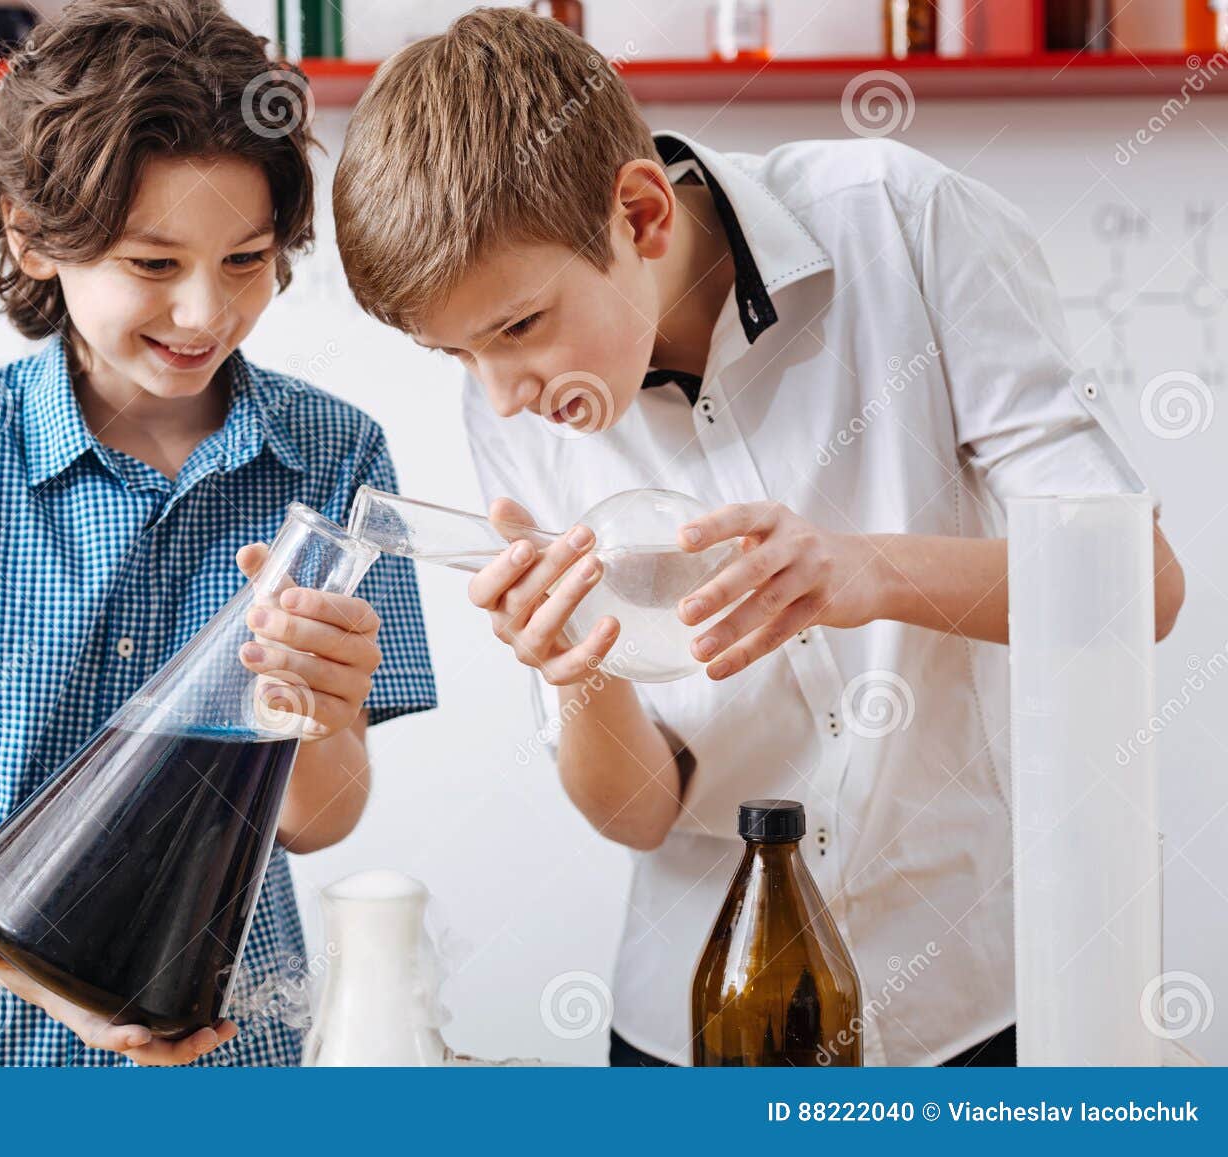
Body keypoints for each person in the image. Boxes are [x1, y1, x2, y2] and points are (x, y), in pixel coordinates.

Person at [330, 7, 1183, 1067]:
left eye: (516, 328)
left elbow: (1136, 587)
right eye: (456, 355)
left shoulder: (894, 220)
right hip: (700, 1013)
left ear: (639, 215)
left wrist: (861, 570)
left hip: (971, 997)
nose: (501, 395)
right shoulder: (520, 415)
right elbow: (642, 814)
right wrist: (576, 673)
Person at [0, 0, 436, 1067]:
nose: (205, 313)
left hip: (226, 1045)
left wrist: (323, 710)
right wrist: (21, 962)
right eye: (153, 266)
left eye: (246, 259)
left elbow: (315, 819)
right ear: (31, 232)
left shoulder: (334, 457)